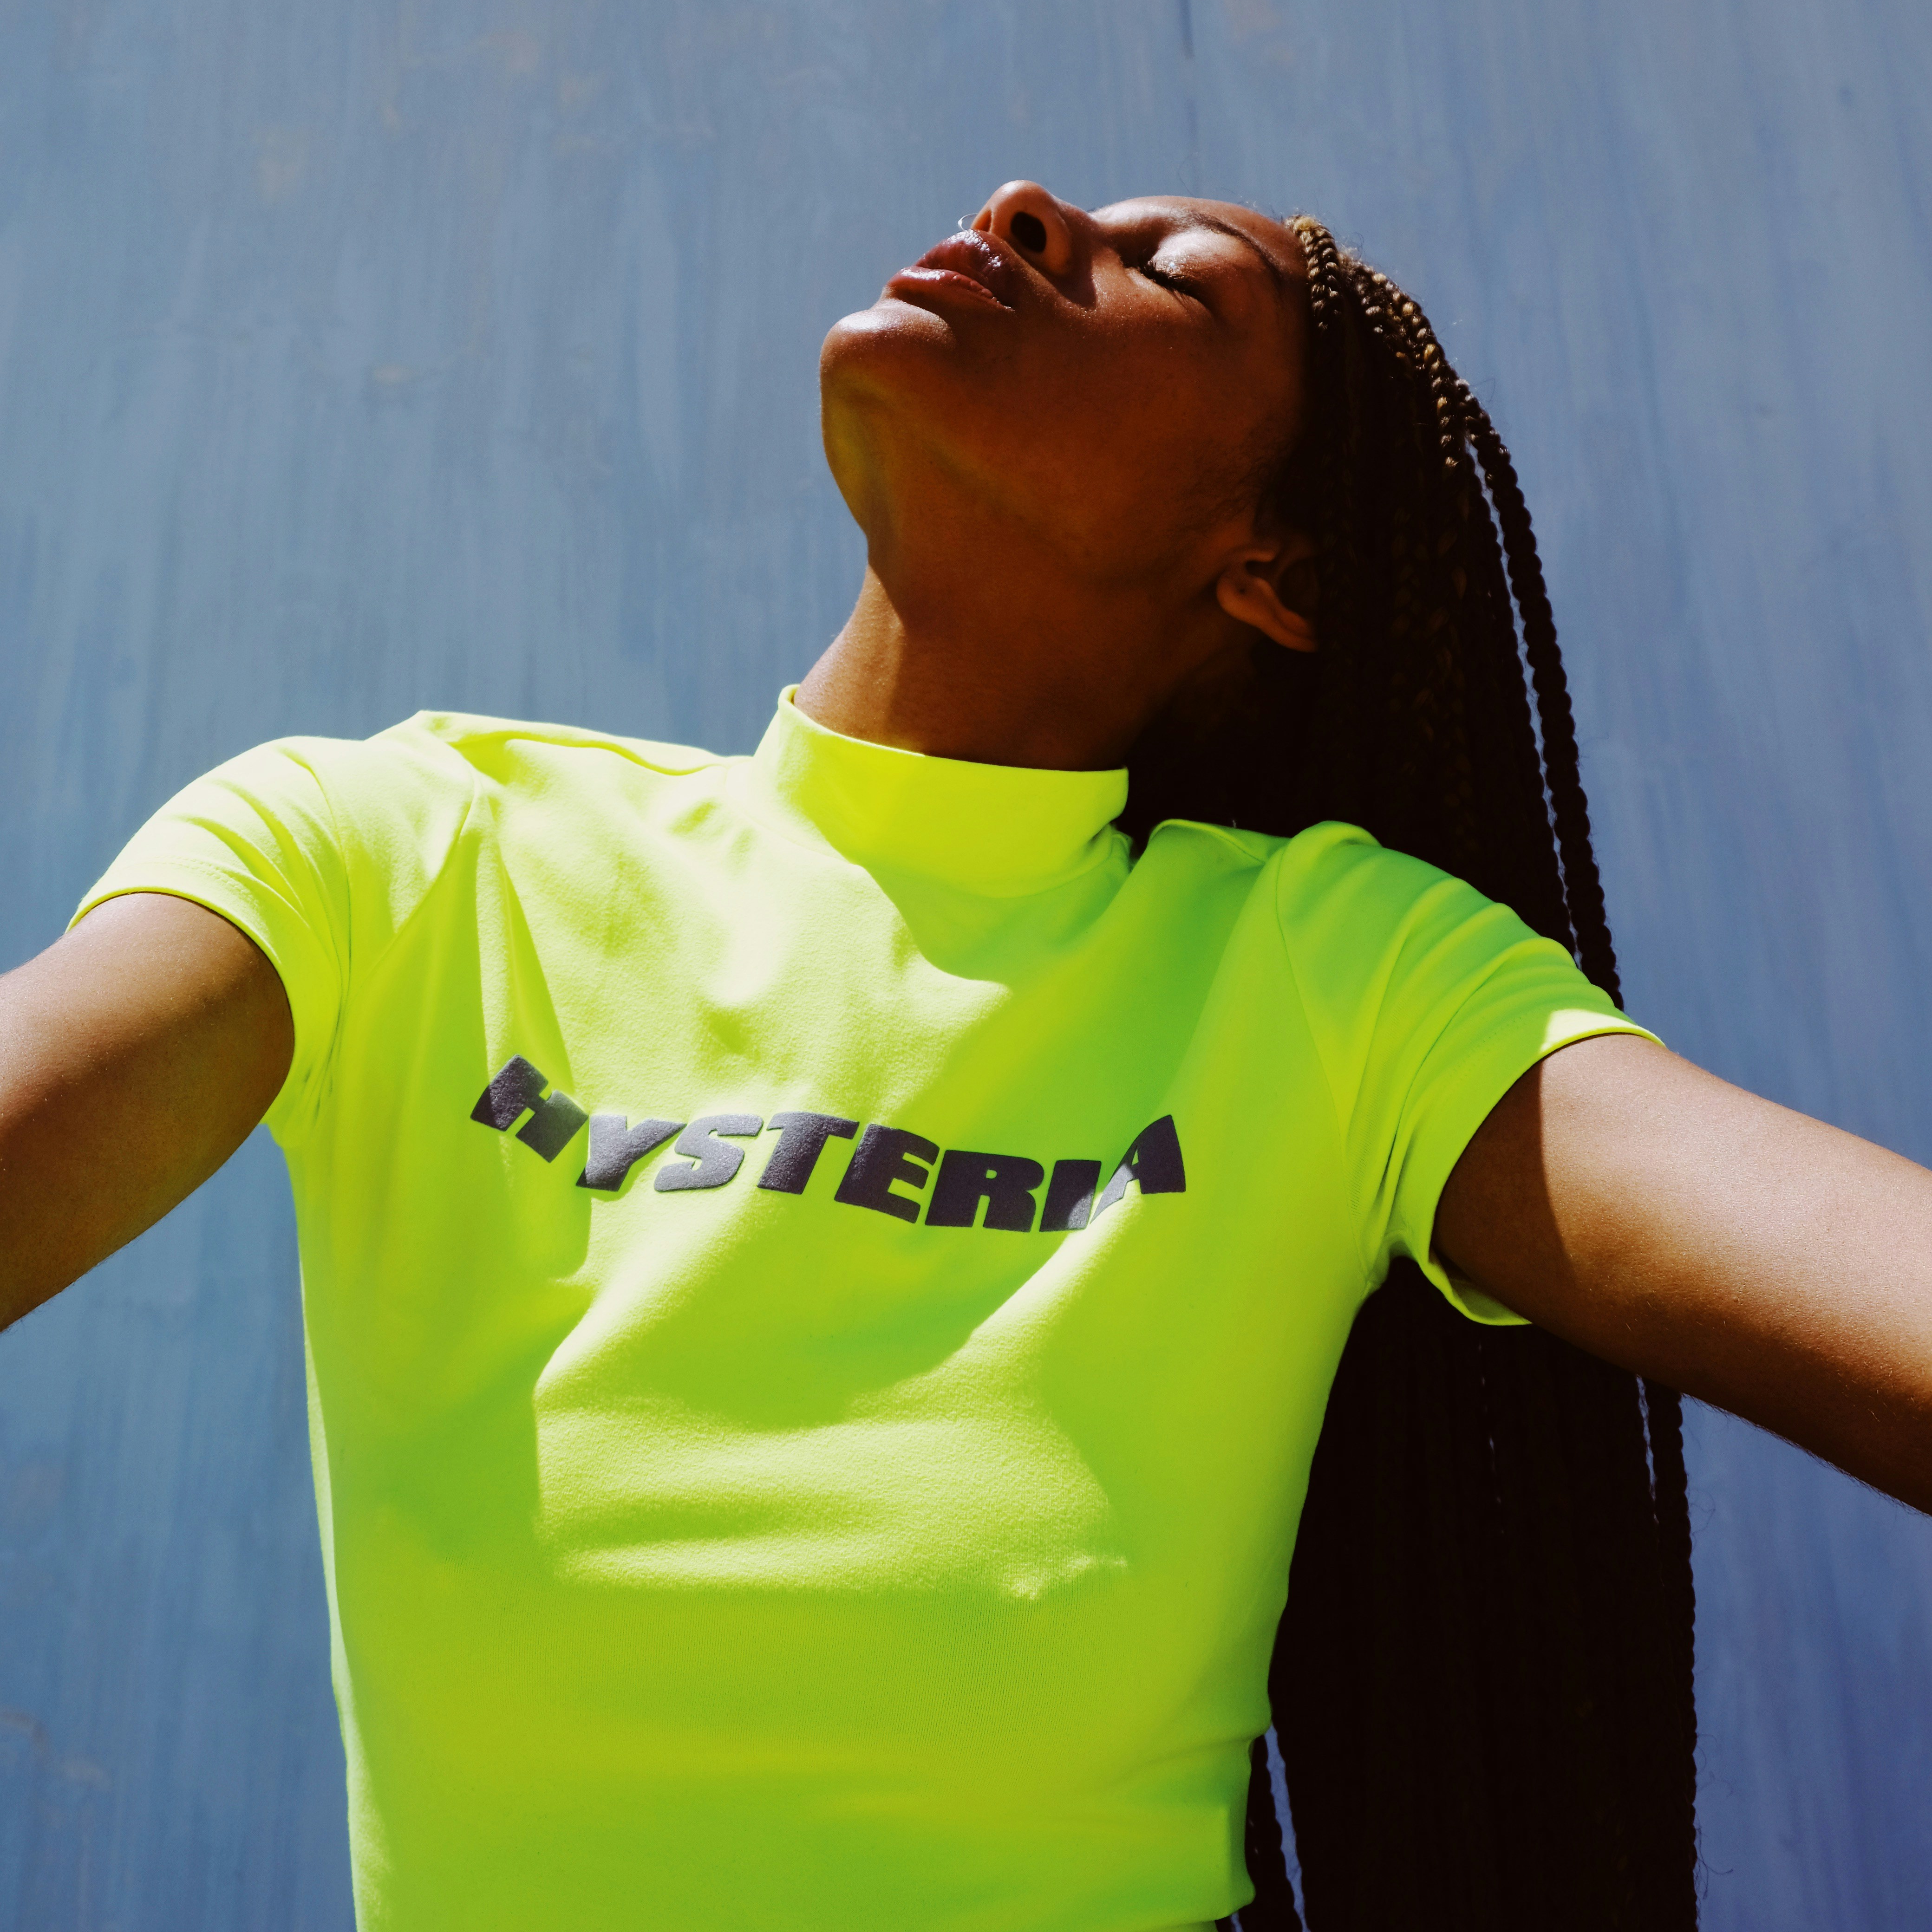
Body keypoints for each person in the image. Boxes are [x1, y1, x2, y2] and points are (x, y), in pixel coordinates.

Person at [2, 180, 1928, 1932]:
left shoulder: (1336, 979)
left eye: (1167, 276)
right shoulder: (399, 855)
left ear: (1274, 573)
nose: (1023, 210)